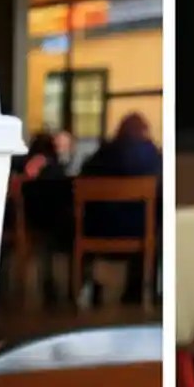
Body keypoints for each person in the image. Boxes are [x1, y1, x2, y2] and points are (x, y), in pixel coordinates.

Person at [79, 113, 162, 305]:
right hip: (140, 235)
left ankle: (89, 284)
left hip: (97, 233)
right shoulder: (153, 158)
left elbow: (82, 181)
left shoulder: (102, 155)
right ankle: (137, 291)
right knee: (158, 225)